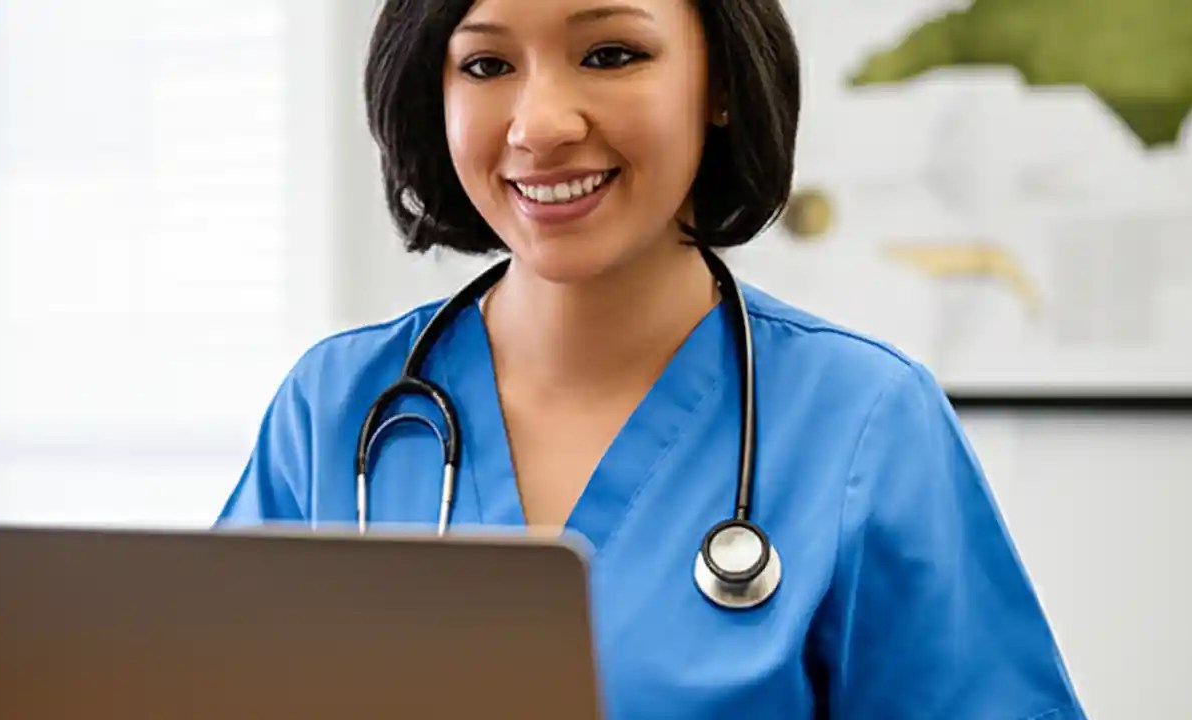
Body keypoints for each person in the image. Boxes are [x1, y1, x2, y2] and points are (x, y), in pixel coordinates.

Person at [218, 0, 1086, 717]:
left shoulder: (863, 419)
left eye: (611, 53)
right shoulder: (335, 410)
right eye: (486, 65)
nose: (542, 125)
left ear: (719, 84)